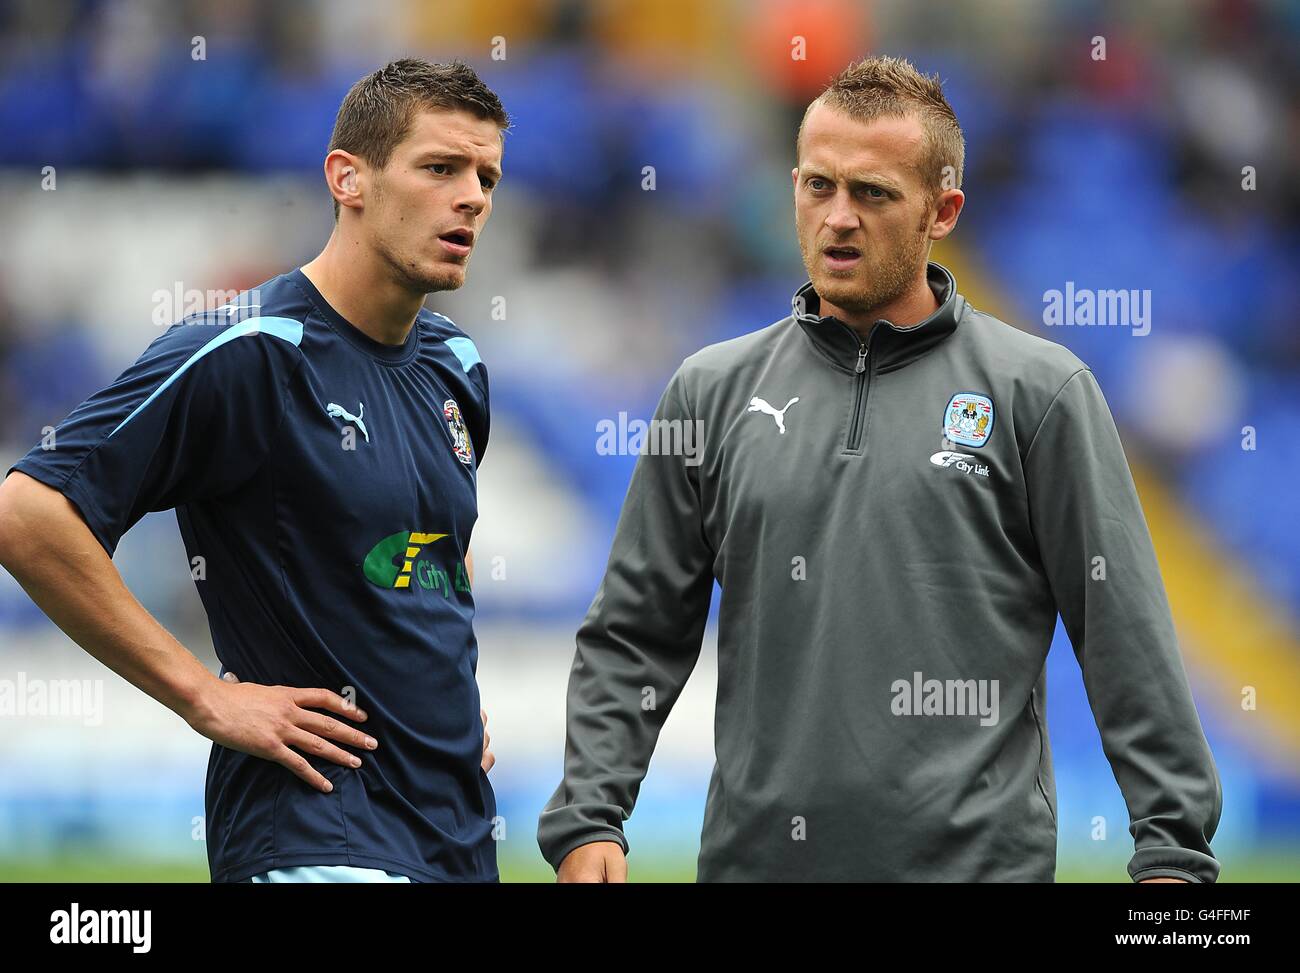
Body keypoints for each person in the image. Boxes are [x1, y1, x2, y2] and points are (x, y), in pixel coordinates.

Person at [537, 55, 1222, 883]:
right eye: (818, 186)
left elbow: (1123, 634)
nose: (837, 218)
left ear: (943, 210)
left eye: (873, 193)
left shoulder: (1039, 393)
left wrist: (1173, 851)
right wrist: (589, 815)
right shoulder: (710, 393)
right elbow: (637, 631)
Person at [0, 58, 508, 883]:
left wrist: (450, 693)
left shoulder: (457, 365)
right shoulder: (252, 351)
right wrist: (206, 694)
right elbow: (27, 513)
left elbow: (434, 545)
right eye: (441, 167)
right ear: (348, 178)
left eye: (486, 175)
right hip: (314, 831)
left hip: (453, 830)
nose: (473, 197)